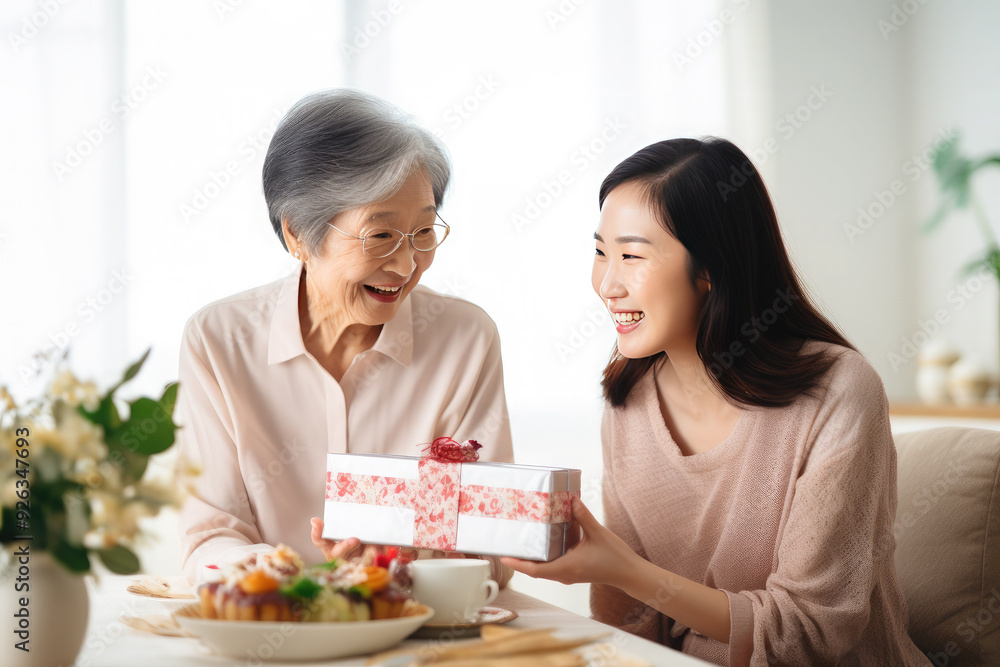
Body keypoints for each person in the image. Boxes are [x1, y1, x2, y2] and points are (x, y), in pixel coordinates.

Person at [503, 138, 930, 665]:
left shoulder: (839, 392)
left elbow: (811, 634)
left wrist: (619, 569)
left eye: (631, 256)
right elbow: (630, 629)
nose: (606, 283)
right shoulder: (628, 403)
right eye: (599, 252)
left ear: (710, 269)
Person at [176, 89, 513, 585]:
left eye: (423, 232)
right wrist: (280, 577)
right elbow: (209, 537)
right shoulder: (220, 342)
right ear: (297, 235)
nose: (405, 265)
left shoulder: (464, 339)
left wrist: (401, 556)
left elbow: (494, 552)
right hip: (272, 635)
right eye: (379, 236)